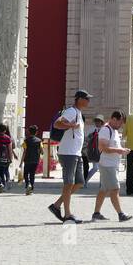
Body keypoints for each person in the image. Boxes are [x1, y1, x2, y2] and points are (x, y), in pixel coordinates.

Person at [49, 90, 91, 223]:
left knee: (79, 182)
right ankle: (67, 214)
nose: (89, 101)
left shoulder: (78, 112)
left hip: (75, 152)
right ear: (79, 99)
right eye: (86, 98)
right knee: (69, 183)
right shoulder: (72, 111)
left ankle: (56, 205)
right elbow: (57, 123)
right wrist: (71, 125)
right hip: (68, 152)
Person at [92, 111, 133, 222]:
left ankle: (96, 213)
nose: (121, 125)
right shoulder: (106, 130)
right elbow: (102, 148)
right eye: (120, 122)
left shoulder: (113, 130)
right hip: (107, 164)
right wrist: (120, 150)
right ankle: (121, 214)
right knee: (115, 189)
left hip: (111, 164)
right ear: (114, 119)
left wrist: (121, 150)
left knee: (104, 189)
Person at [84, 115, 105, 185]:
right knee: (95, 168)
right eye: (96, 121)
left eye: (99, 121)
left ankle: (102, 184)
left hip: (102, 151)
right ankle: (85, 181)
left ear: (101, 122)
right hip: (94, 151)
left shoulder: (104, 129)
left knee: (102, 168)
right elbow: (86, 139)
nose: (97, 122)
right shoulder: (92, 129)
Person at [22, 125, 42, 195]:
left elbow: (24, 151)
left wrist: (21, 162)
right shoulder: (39, 141)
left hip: (27, 160)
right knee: (32, 174)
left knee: (25, 174)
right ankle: (31, 188)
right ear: (36, 132)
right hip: (35, 160)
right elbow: (42, 151)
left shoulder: (25, 141)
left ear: (29, 132)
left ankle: (28, 185)